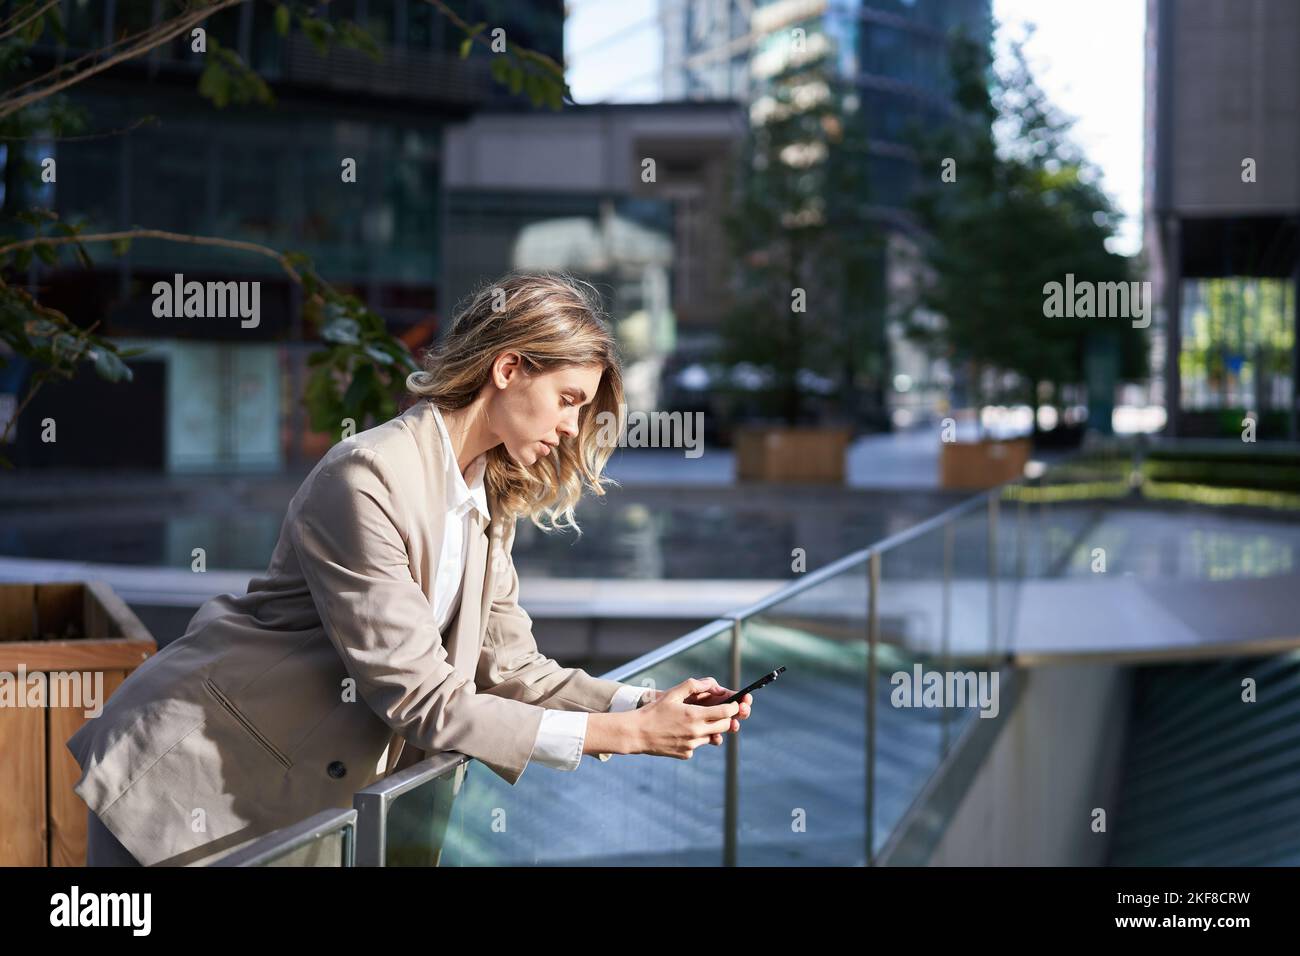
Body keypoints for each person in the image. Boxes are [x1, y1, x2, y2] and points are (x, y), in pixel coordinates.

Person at [69, 270, 752, 867]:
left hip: (288, 799)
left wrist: (647, 706)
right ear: (509, 369)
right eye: (570, 398)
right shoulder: (368, 478)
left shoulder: (485, 495)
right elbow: (420, 699)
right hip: (193, 775)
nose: (576, 429)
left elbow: (513, 670)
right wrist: (624, 737)